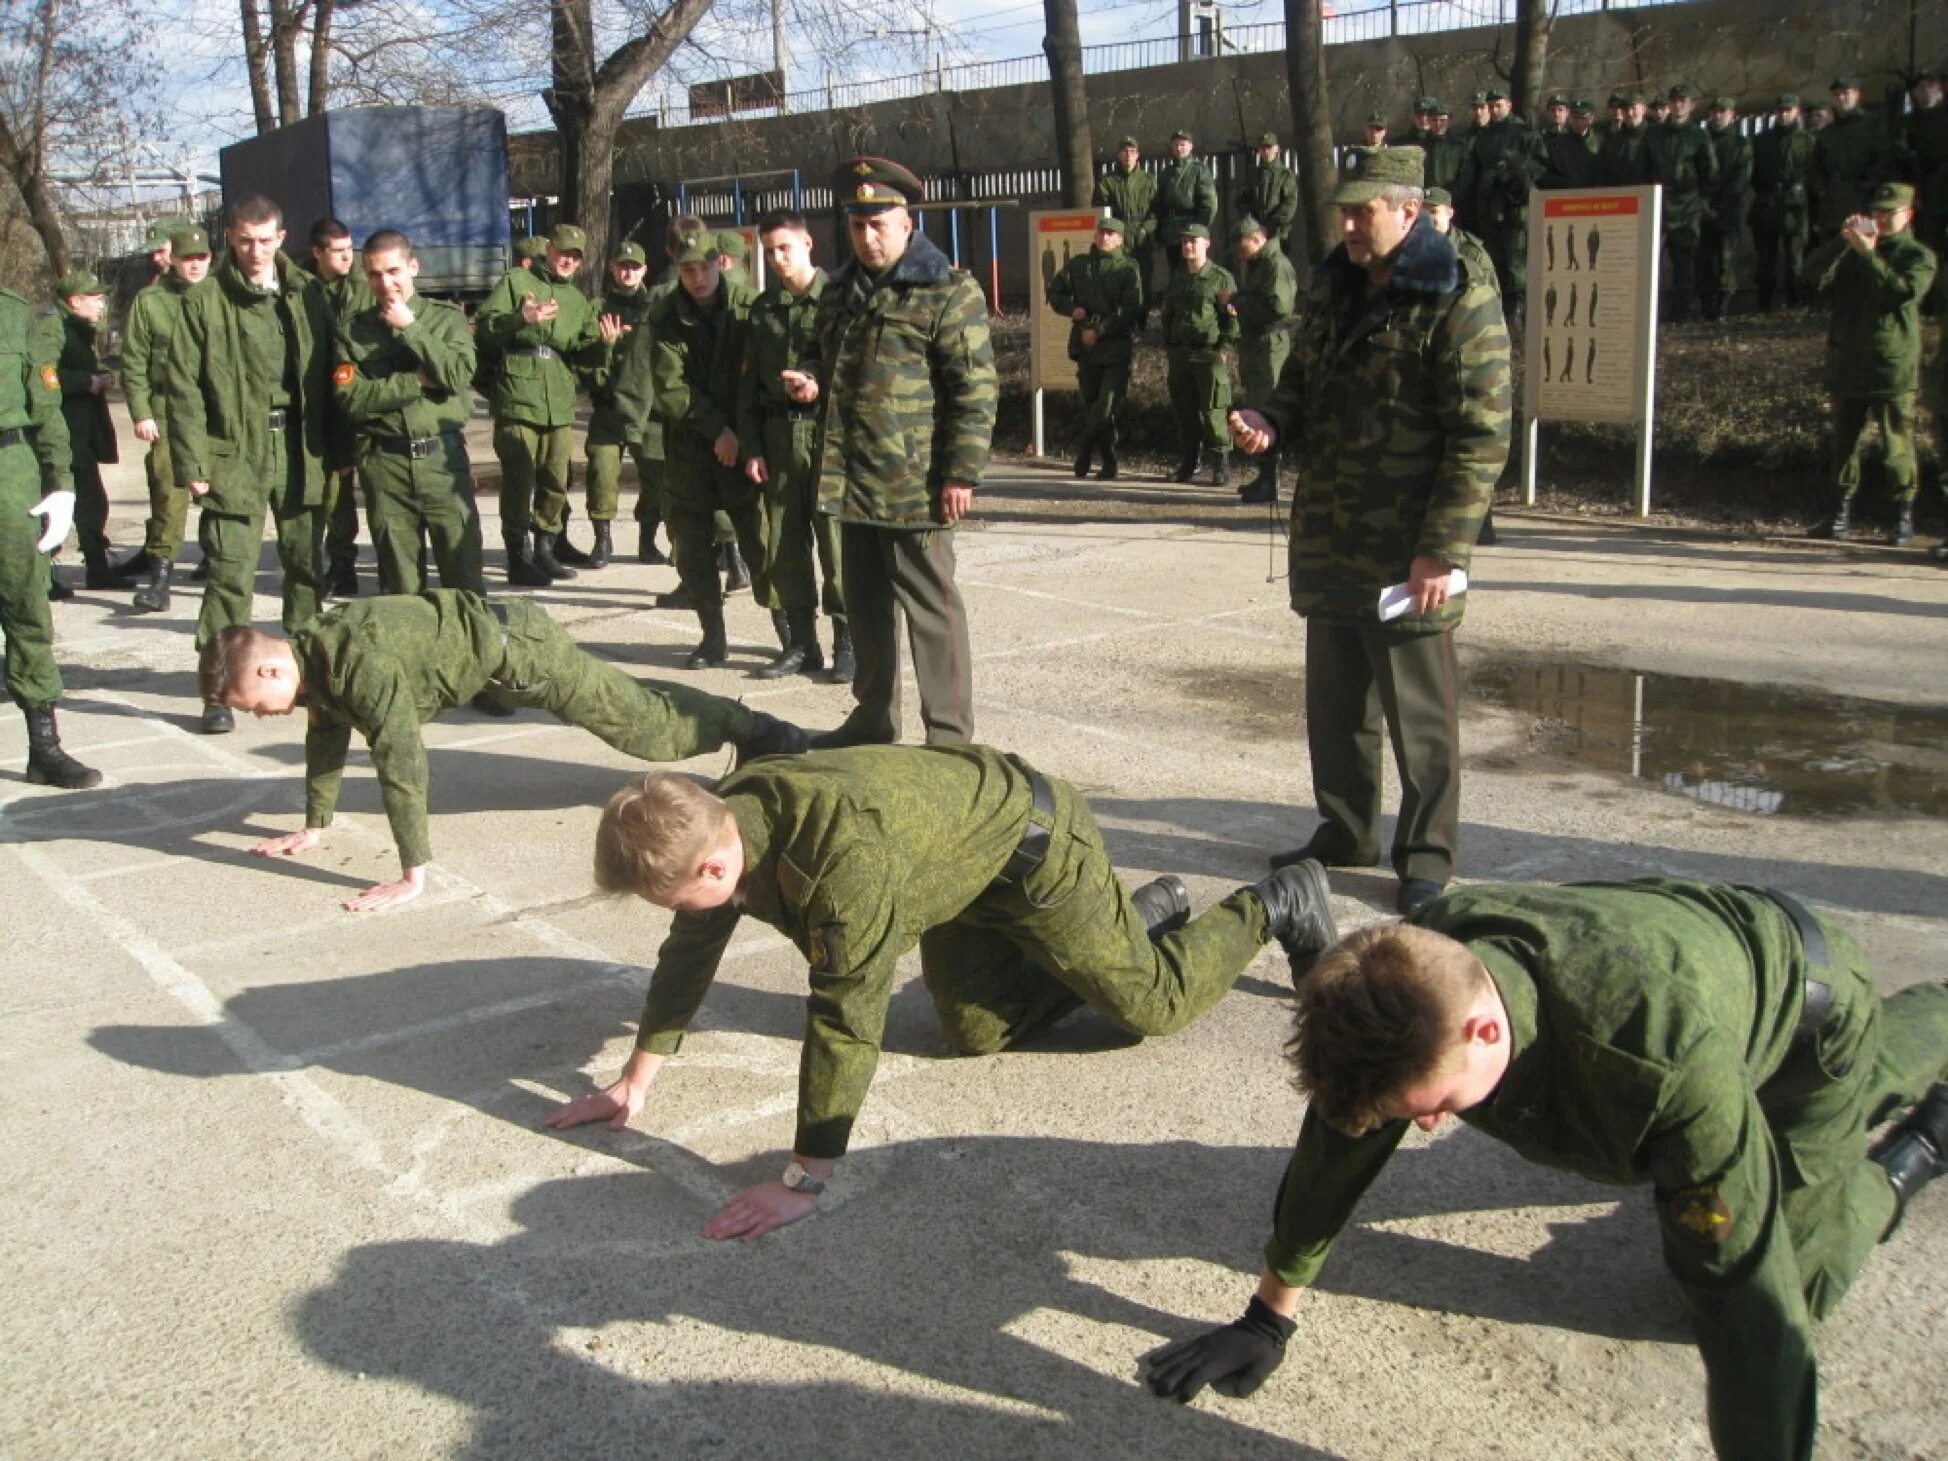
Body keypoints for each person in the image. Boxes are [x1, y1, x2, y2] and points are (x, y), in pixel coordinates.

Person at [1141, 878, 1948, 1461]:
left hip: (1807, 1010)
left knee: (1793, 1281)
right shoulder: (1420, 970)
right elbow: (1340, 1141)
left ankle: (1916, 1149)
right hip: (1692, 956)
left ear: (1487, 1032)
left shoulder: (1657, 1065)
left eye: (1433, 1102)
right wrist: (1269, 1311)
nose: (1427, 1123)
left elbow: (1749, 1310)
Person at [547, 746, 1342, 1240]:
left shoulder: (838, 868)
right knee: (973, 1031)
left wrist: (803, 1179)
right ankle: (1141, 916)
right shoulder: (726, 815)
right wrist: (634, 1082)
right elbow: (692, 945)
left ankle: (1276, 901)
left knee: (1151, 1004)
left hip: (1036, 850)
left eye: (674, 897)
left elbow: (846, 1020)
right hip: (955, 870)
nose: (676, 916)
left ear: (717, 865)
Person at [1228, 146, 1510, 915]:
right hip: (1332, 535)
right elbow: (1300, 386)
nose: (1349, 224)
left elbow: (1482, 435)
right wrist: (1268, 422)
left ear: (1408, 211)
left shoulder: (1456, 294)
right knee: (1338, 703)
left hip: (1406, 544)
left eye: (1364, 211)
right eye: (1344, 211)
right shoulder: (1335, 287)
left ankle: (1426, 854)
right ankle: (1347, 828)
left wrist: (1442, 549)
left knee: (1420, 714)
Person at [198, 589, 809, 913]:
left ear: (274, 671)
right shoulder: (313, 658)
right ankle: (740, 723)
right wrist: (315, 823)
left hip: (522, 652)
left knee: (649, 732)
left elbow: (401, 760)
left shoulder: (357, 663)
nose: (257, 716)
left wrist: (414, 874)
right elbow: (326, 731)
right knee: (638, 706)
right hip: (495, 655)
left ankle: (760, 731)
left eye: (253, 703)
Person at [806, 156, 996, 749]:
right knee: (864, 609)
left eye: (879, 223)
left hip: (915, 485)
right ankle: (872, 718)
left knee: (932, 613)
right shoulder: (838, 292)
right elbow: (825, 361)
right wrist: (809, 381)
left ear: (906, 220)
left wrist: (961, 472)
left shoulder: (947, 289)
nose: (867, 237)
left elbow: (974, 388)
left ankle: (949, 735)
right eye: (857, 225)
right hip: (852, 479)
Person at [164, 194, 342, 736]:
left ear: (282, 238)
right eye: (245, 240)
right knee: (230, 573)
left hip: (298, 445)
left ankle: (311, 674)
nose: (255, 251)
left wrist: (341, 448)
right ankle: (218, 689)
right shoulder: (205, 301)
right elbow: (182, 387)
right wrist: (192, 460)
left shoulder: (308, 293)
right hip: (232, 450)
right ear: (230, 239)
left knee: (306, 566)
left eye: (265, 240)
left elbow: (335, 371)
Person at [616, 222, 770, 670]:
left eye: (704, 267)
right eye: (687, 270)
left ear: (719, 263)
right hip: (689, 445)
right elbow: (670, 385)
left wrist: (738, 434)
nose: (697, 278)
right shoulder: (664, 315)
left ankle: (794, 636)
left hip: (744, 443)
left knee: (764, 545)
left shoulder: (747, 307)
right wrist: (716, 429)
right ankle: (712, 638)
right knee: (693, 547)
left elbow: (756, 374)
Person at [332, 230, 483, 597]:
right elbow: (352, 400)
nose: (385, 283)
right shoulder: (353, 331)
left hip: (441, 464)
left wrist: (411, 329)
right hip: (386, 464)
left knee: (463, 581)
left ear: (413, 267)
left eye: (394, 271)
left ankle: (469, 653)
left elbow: (458, 375)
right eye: (374, 274)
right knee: (401, 587)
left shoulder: (445, 320)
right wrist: (415, 382)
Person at [736, 209, 850, 681]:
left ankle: (849, 642)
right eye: (769, 251)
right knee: (782, 542)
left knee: (836, 544)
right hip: (779, 436)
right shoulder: (763, 311)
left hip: (828, 435)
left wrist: (820, 386)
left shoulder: (839, 300)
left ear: (809, 245)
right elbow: (747, 388)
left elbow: (861, 370)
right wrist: (752, 447)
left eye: (785, 247)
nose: (778, 258)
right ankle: (802, 644)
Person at [0, 282, 99, 787]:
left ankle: (44, 746)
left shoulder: (15, 314)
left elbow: (45, 406)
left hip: (8, 469)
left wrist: (60, 484)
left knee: (26, 609)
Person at [1806, 182, 1938, 545]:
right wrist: (1841, 241)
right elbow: (1813, 275)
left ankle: (1902, 518)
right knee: (1844, 442)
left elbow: (1901, 292)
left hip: (1891, 365)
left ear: (1907, 215)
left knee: (1896, 442)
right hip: (1848, 360)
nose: (1881, 219)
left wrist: (1869, 255)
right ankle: (1838, 515)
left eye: (1889, 213)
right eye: (1876, 212)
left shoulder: (1917, 255)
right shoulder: (1853, 250)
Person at [474, 222, 601, 586]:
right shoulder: (517, 282)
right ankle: (518, 555)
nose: (568, 261)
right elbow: (485, 327)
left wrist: (606, 342)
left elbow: (583, 349)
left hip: (558, 397)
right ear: (549, 251)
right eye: (563, 253)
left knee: (556, 477)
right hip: (519, 391)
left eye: (575, 257)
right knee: (519, 477)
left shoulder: (577, 301)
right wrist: (521, 318)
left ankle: (546, 547)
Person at [123, 224, 212, 614]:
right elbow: (134, 361)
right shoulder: (151, 301)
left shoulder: (222, 296)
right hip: (167, 408)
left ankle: (217, 561)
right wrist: (142, 412)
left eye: (201, 258)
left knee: (221, 490)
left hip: (215, 410)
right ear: (171, 259)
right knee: (167, 491)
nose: (194, 265)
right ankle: (160, 578)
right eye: (187, 258)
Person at [1045, 214, 1143, 483]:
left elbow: (1131, 309)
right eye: (1101, 232)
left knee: (1106, 405)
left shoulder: (1128, 268)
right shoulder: (1080, 265)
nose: (1104, 237)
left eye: (1111, 234)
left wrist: (1100, 330)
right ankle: (1109, 461)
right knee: (1093, 405)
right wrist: (1071, 309)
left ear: (1120, 239)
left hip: (1114, 347)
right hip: (1085, 347)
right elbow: (1055, 292)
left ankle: (1084, 448)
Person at [50, 270, 131, 591]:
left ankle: (97, 567)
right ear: (74, 301)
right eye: (96, 299)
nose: (101, 305)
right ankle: (42, 575)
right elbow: (47, 378)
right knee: (57, 503)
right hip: (64, 436)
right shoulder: (55, 333)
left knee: (92, 503)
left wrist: (99, 375)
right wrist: (88, 382)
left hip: (80, 435)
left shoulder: (78, 332)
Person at [309, 217, 377, 598]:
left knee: (373, 485)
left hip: (359, 398)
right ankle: (341, 564)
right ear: (317, 252)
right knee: (334, 491)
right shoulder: (302, 289)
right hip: (320, 402)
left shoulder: (363, 289)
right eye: (338, 252)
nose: (347, 258)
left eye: (350, 249)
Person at [580, 241, 656, 570]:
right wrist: (605, 347)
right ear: (612, 268)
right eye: (622, 266)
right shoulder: (597, 308)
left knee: (656, 476)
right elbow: (587, 365)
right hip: (609, 406)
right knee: (602, 473)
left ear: (644, 270)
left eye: (634, 266)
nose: (628, 272)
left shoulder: (654, 307)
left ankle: (648, 540)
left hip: (648, 408)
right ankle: (602, 540)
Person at [1161, 222, 1237, 487]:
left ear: (1207, 244)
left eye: (1194, 241)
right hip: (1181, 355)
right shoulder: (1179, 277)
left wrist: (1225, 349)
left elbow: (1231, 319)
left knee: (1214, 410)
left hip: (1209, 353)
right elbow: (1168, 315)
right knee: (1185, 412)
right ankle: (1190, 463)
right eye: (1184, 242)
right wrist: (1170, 345)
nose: (1188, 246)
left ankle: (1221, 464)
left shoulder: (1220, 278)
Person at [1229, 216, 1297, 506]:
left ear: (1256, 239)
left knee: (1266, 406)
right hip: (1256, 344)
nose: (1239, 251)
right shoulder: (1259, 265)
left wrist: (1239, 302)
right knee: (1257, 403)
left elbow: (1278, 307)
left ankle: (1270, 481)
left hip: (1269, 346)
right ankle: (1264, 477)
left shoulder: (1274, 265)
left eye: (1241, 244)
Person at [1467, 88, 1545, 329]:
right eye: (1490, 106)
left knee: (1516, 260)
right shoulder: (1483, 137)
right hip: (1490, 205)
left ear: (1509, 105)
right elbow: (1475, 170)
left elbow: (1540, 165)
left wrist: (1517, 176)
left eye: (1498, 105)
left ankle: (1518, 308)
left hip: (1516, 204)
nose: (1493, 110)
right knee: (1495, 258)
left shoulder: (1524, 134)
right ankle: (1499, 307)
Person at [1648, 84, 1722, 322]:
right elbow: (1643, 168)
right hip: (1657, 202)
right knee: (1651, 262)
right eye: (1675, 101)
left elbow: (1710, 172)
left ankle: (1681, 312)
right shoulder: (1654, 134)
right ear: (1669, 104)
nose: (1678, 105)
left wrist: (1700, 199)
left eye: (1683, 101)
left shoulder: (1699, 135)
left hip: (1687, 205)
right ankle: (1651, 313)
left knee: (1684, 262)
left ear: (1691, 105)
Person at [1810, 77, 1896, 242]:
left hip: (1862, 199)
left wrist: (1869, 187)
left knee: (1861, 247)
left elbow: (1884, 160)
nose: (1841, 98)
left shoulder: (1873, 126)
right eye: (1836, 94)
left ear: (1857, 94)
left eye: (1845, 93)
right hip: (1832, 201)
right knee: (1831, 249)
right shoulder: (1828, 132)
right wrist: (1821, 189)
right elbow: (1816, 165)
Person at [1752, 94, 1817, 311]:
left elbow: (1813, 172)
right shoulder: (1761, 140)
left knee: (1794, 258)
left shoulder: (1807, 140)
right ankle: (1764, 303)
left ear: (1797, 111)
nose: (1784, 114)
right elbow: (1753, 172)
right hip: (1767, 202)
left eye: (1788, 110)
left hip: (1795, 205)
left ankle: (1795, 301)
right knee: (1765, 258)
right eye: (1780, 110)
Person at [1698, 97, 1753, 319]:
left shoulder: (1740, 143)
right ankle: (1706, 305)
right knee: (1703, 259)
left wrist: (1720, 205)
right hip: (1702, 208)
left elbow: (1741, 179)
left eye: (1723, 112)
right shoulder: (1701, 140)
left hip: (1729, 209)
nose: (1718, 116)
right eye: (1715, 111)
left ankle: (1723, 306)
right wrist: (1704, 203)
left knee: (1726, 258)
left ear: (1732, 115)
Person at [1093, 136, 1159, 317]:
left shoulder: (1148, 181)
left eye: (1132, 151)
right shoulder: (1108, 182)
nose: (1128, 155)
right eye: (1124, 152)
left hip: (1141, 236)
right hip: (1118, 235)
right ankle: (1120, 319)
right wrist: (1113, 232)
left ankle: (1142, 318)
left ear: (1138, 155)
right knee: (1118, 277)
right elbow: (1100, 209)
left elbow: (1157, 211)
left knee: (1143, 277)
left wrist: (1146, 229)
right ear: (1118, 155)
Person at [1153, 129, 1218, 280]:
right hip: (1171, 231)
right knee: (1176, 273)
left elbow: (1209, 204)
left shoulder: (1199, 171)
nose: (1179, 148)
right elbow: (1159, 204)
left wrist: (1199, 229)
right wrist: (1160, 231)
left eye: (1182, 144)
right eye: (1176, 145)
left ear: (1190, 146)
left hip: (1192, 228)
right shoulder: (1166, 173)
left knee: (1194, 270)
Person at [1900, 67, 1948, 262]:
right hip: (1927, 190)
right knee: (1929, 245)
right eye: (1921, 87)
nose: (1926, 91)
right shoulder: (1908, 123)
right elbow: (1910, 162)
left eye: (1931, 86)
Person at [1234, 132, 1299, 254]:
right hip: (1255, 234)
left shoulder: (1285, 175)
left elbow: (1289, 205)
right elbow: (1242, 202)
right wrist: (1252, 225)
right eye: (1263, 148)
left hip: (1278, 234)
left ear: (1277, 149)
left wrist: (1269, 227)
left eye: (1269, 147)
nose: (1266, 151)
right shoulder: (1254, 175)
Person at [1404, 98, 1470, 206]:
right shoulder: (1420, 146)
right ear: (1429, 121)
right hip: (1426, 199)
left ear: (1449, 121)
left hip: (1453, 201)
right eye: (1434, 120)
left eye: (1442, 120)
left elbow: (1465, 176)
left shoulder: (1459, 146)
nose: (1438, 124)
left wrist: (1452, 196)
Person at [1540, 92, 1600, 190]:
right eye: (1575, 118)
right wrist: (1567, 182)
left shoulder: (1600, 142)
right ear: (1570, 118)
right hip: (1566, 197)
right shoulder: (1557, 145)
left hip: (1593, 197)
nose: (1579, 122)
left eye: (1583, 118)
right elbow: (1545, 174)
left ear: (1591, 119)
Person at [1600, 91, 1653, 188]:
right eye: (1625, 109)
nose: (1630, 113)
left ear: (1643, 109)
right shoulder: (1613, 140)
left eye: (1633, 108)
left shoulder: (1654, 136)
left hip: (1647, 194)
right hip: (1622, 195)